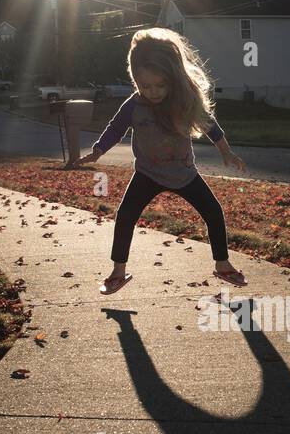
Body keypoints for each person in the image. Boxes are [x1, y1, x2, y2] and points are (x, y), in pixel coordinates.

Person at [71, 28, 248, 294]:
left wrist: (226, 152)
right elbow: (115, 128)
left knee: (213, 211)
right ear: (136, 81)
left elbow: (210, 125)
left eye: (160, 85)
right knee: (126, 215)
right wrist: (97, 151)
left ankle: (223, 264)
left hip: (184, 172)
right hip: (147, 173)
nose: (153, 92)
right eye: (146, 86)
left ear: (172, 79)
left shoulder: (183, 101)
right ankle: (118, 271)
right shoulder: (134, 105)